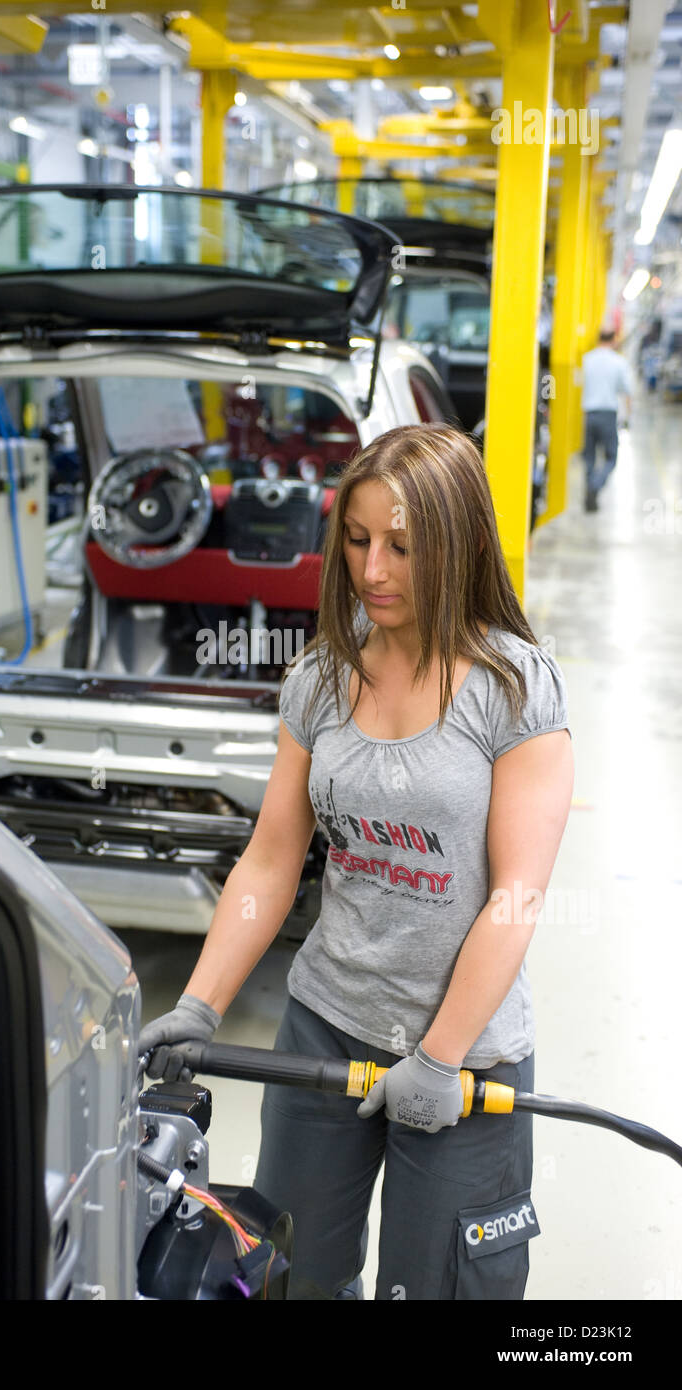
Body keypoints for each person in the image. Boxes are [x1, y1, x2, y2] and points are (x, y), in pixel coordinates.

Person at [139, 423, 574, 1300]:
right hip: (325, 1030)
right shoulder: (322, 680)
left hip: (467, 1060)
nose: (373, 570)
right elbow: (271, 860)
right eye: (359, 539)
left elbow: (518, 897)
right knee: (290, 1273)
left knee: (444, 1288)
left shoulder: (516, 690)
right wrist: (199, 1003)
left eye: (404, 547)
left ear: (456, 544)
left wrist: (443, 1057)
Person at [580, 327, 634, 512]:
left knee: (589, 458)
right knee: (611, 457)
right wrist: (629, 416)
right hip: (608, 414)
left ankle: (590, 496)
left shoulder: (587, 359)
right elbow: (627, 391)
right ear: (613, 339)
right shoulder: (619, 362)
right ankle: (595, 486)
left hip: (589, 414)